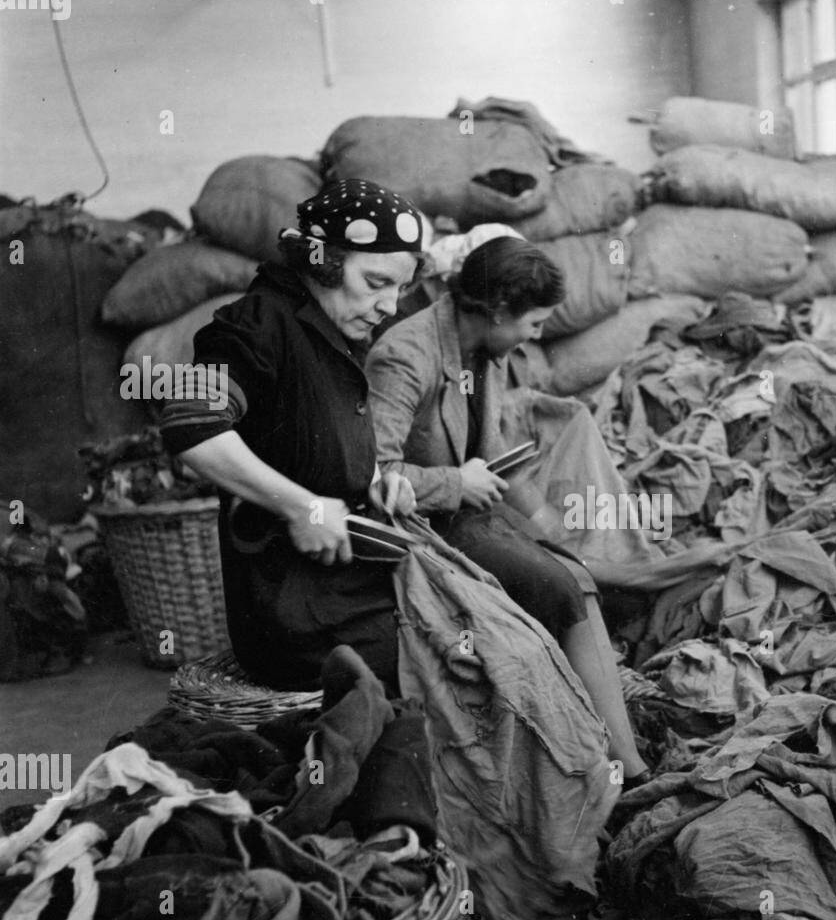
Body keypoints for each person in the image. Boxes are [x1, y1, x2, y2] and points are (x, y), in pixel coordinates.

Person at [366, 235, 651, 783]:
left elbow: (492, 449)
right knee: (566, 587)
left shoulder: (484, 349)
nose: (536, 335)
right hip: (426, 530)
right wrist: (455, 481)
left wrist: (545, 519)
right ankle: (625, 765)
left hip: (469, 516)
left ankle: (602, 735)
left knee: (585, 571)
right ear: (497, 310)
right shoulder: (404, 356)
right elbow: (375, 476)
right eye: (534, 322)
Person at [158, 179, 424, 692]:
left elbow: (314, 442)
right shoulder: (256, 323)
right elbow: (191, 422)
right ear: (324, 262)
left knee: (486, 616)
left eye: (399, 287)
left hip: (345, 586)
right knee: (458, 649)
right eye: (375, 282)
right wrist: (301, 507)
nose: (389, 305)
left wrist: (375, 482)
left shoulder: (336, 332)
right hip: (293, 611)